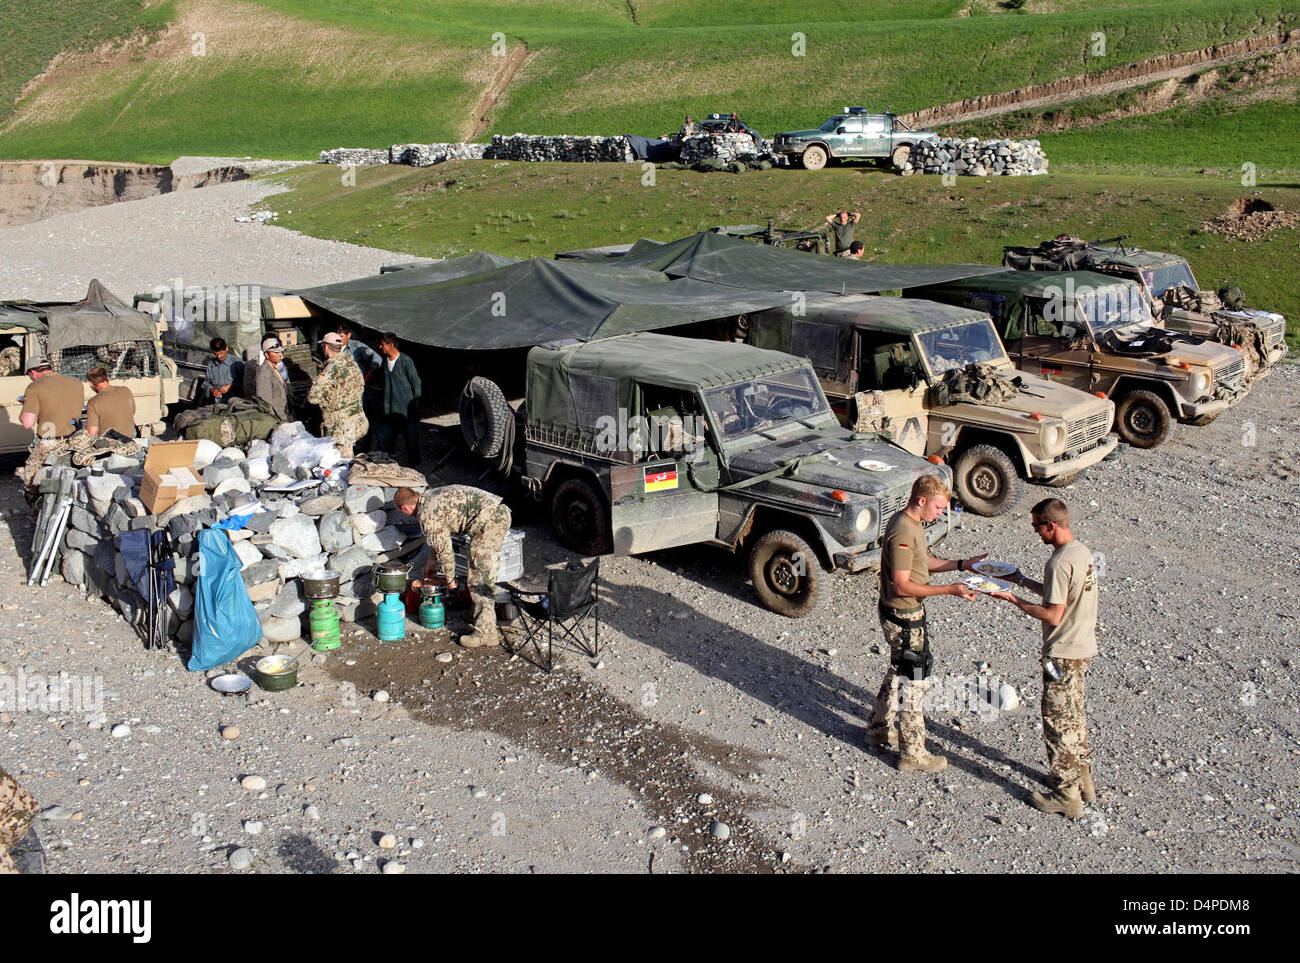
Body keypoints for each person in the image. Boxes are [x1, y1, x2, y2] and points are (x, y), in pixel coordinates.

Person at [864, 473, 985, 773]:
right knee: (914, 680)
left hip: (902, 612)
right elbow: (903, 584)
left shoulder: (910, 523)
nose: (940, 513)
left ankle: (879, 727)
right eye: (938, 507)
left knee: (898, 667)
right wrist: (951, 589)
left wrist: (961, 564)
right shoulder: (904, 532)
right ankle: (912, 752)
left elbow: (924, 561)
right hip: (904, 615)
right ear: (921, 501)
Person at [990, 498, 1099, 819]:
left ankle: (1067, 796)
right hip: (1082, 649)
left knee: (1057, 723)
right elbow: (1061, 593)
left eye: (1037, 526)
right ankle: (1084, 781)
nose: (1035, 532)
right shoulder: (1081, 553)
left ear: (1051, 525)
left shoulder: (1058, 562)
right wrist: (1021, 580)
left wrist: (1013, 599)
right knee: (1075, 716)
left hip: (1061, 654)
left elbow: (1052, 614)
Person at [395, 485, 512, 648]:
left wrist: (449, 579)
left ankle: (486, 634)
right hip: (494, 512)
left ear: (406, 507)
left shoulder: (427, 514)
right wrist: (431, 560)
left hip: (491, 521)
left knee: (480, 578)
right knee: (476, 572)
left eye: (402, 513)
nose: (405, 516)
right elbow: (439, 536)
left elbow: (446, 551)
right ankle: (478, 615)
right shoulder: (428, 497)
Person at [19, 355, 84, 489]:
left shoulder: (34, 387)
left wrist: (26, 405)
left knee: (31, 479)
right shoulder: (76, 382)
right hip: (76, 439)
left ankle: (36, 507)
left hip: (50, 440)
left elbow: (27, 423)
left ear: (32, 372)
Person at [307, 333, 368, 458]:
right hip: (357, 421)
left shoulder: (331, 369)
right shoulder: (352, 364)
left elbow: (312, 397)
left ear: (325, 347)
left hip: (340, 428)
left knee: (340, 466)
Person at [374, 332, 422, 466]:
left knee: (411, 437)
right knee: (384, 436)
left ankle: (414, 466)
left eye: (382, 344)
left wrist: (416, 402)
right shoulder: (385, 362)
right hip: (389, 408)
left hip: (405, 408)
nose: (380, 347)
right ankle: (384, 462)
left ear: (390, 345)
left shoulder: (405, 361)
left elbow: (416, 382)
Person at [84, 366, 135, 438]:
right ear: (107, 377)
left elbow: (91, 432)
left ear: (91, 383)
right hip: (130, 439)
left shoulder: (93, 402)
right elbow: (133, 411)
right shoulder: (126, 390)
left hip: (110, 444)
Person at [253, 336, 292, 423]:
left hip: (285, 416)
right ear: (266, 355)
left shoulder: (276, 368)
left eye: (280, 352)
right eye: (276, 353)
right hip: (277, 420)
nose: (280, 355)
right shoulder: (264, 374)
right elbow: (265, 404)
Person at [205, 337, 244, 404]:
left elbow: (245, 383)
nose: (219, 357)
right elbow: (206, 383)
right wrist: (212, 390)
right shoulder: (211, 364)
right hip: (216, 403)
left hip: (234, 403)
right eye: (216, 354)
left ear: (226, 348)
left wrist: (230, 386)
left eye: (221, 353)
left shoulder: (236, 363)